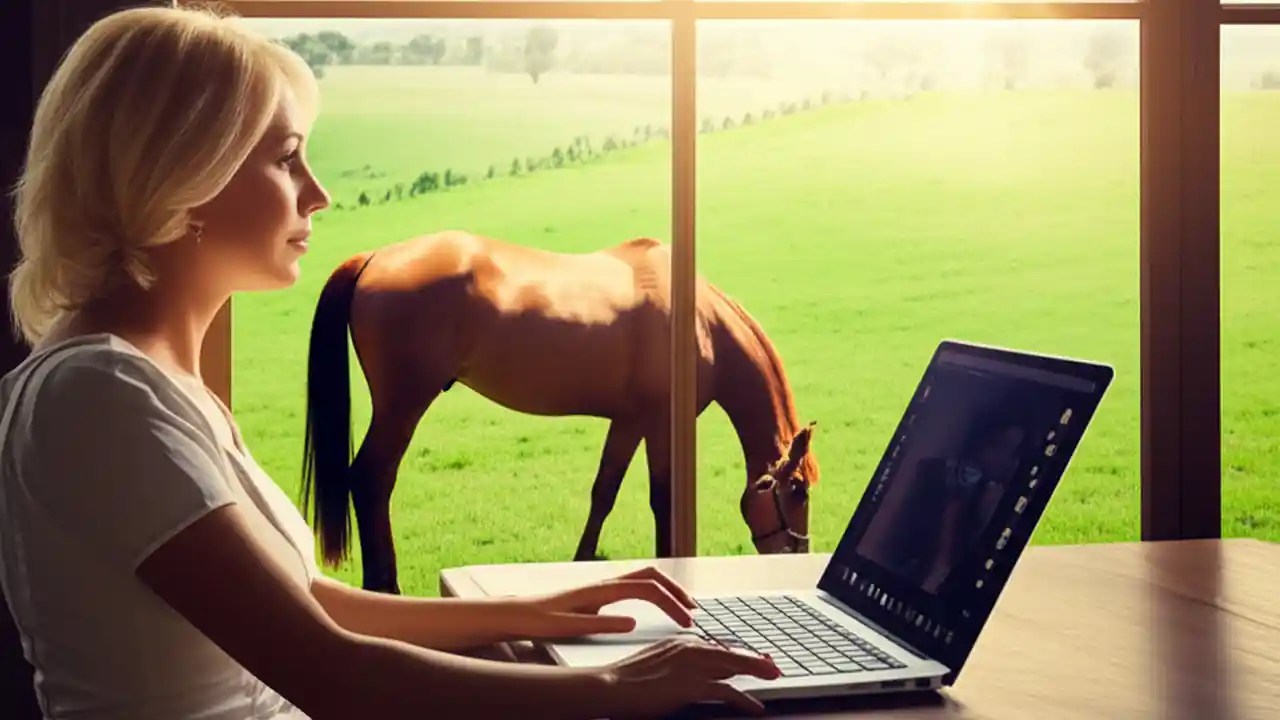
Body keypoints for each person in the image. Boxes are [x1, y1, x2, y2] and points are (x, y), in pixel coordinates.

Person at [0, 6, 779, 719]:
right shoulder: (98, 397)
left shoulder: (147, 384)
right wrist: (614, 687)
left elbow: (316, 604)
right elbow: (332, 674)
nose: (319, 194)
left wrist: (541, 610)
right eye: (286, 160)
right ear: (182, 179)